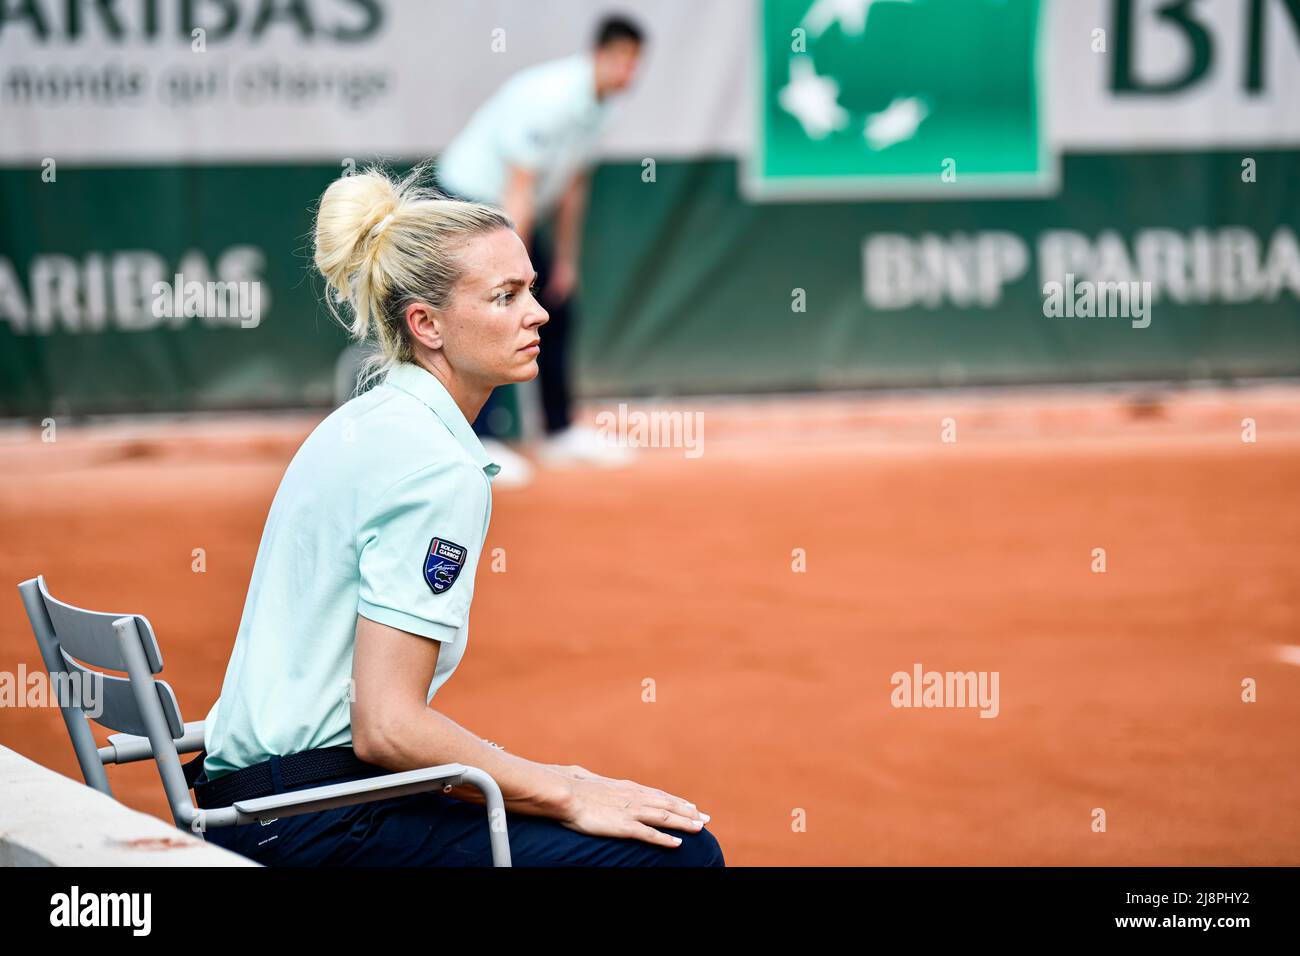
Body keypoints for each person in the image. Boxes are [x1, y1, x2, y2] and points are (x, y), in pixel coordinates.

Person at [189, 165, 723, 867]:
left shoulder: (361, 422)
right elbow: (387, 725)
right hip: (320, 825)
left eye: (530, 289)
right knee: (681, 855)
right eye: (505, 297)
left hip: (255, 805)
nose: (537, 313)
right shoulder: (439, 469)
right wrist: (565, 787)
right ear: (427, 324)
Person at [433, 13, 647, 484]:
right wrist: (512, 272)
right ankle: (477, 443)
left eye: (636, 64)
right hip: (468, 202)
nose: (629, 74)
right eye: (621, 61)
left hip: (512, 212)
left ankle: (559, 431)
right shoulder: (549, 100)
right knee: (484, 317)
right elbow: (520, 188)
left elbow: (572, 187)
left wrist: (565, 262)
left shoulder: (603, 107)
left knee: (557, 304)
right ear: (599, 55)